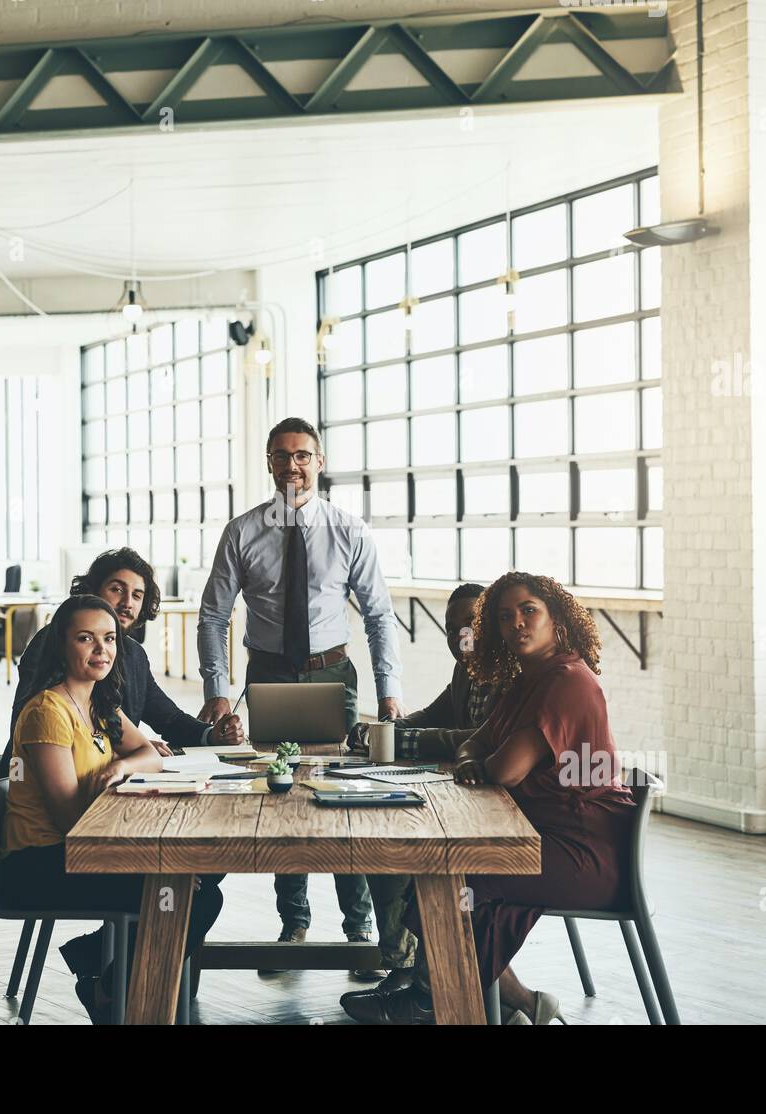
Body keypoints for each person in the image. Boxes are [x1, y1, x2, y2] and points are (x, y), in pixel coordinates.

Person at [340, 572, 637, 1025]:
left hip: (584, 853)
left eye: (528, 611)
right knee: (464, 879)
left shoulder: (567, 681)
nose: (517, 623)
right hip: (545, 837)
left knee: (461, 880)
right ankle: (492, 1002)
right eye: (504, 617)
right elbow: (474, 745)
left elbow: (505, 768)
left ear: (556, 617)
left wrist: (482, 759)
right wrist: (474, 757)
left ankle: (432, 999)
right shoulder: (527, 681)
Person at [197, 416, 404, 977]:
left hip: (331, 676)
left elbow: (381, 616)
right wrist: (217, 691)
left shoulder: (348, 530)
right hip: (268, 674)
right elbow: (214, 614)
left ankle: (360, 932)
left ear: (319, 460)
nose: (293, 465)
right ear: (269, 463)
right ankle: (293, 925)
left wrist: (389, 695)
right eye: (282, 455)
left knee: (343, 794)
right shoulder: (242, 532)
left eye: (303, 455)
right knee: (280, 795)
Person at [0, 594, 225, 1023]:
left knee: (200, 886)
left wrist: (122, 765)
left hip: (80, 850)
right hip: (41, 864)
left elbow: (150, 753)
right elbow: (70, 821)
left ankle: (108, 984)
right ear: (61, 646)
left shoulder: (97, 702)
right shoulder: (48, 711)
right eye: (86, 639)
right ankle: (121, 996)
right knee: (184, 896)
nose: (101, 649)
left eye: (108, 638)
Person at [345, 581, 505, 995]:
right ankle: (407, 967)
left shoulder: (511, 674)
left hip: (500, 812)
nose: (460, 636)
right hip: (464, 796)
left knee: (399, 851)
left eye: (470, 623)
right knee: (381, 841)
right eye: (451, 628)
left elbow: (476, 738)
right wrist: (380, 730)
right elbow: (431, 716)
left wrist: (403, 741)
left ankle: (416, 979)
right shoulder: (465, 670)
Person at [3, 548, 244, 765]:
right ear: (93, 590)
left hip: (105, 781)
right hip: (43, 781)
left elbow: (168, 718)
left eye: (137, 595)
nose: (127, 603)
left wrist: (212, 734)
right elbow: (39, 730)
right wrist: (130, 752)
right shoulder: (55, 643)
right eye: (117, 589)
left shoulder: (133, 654)